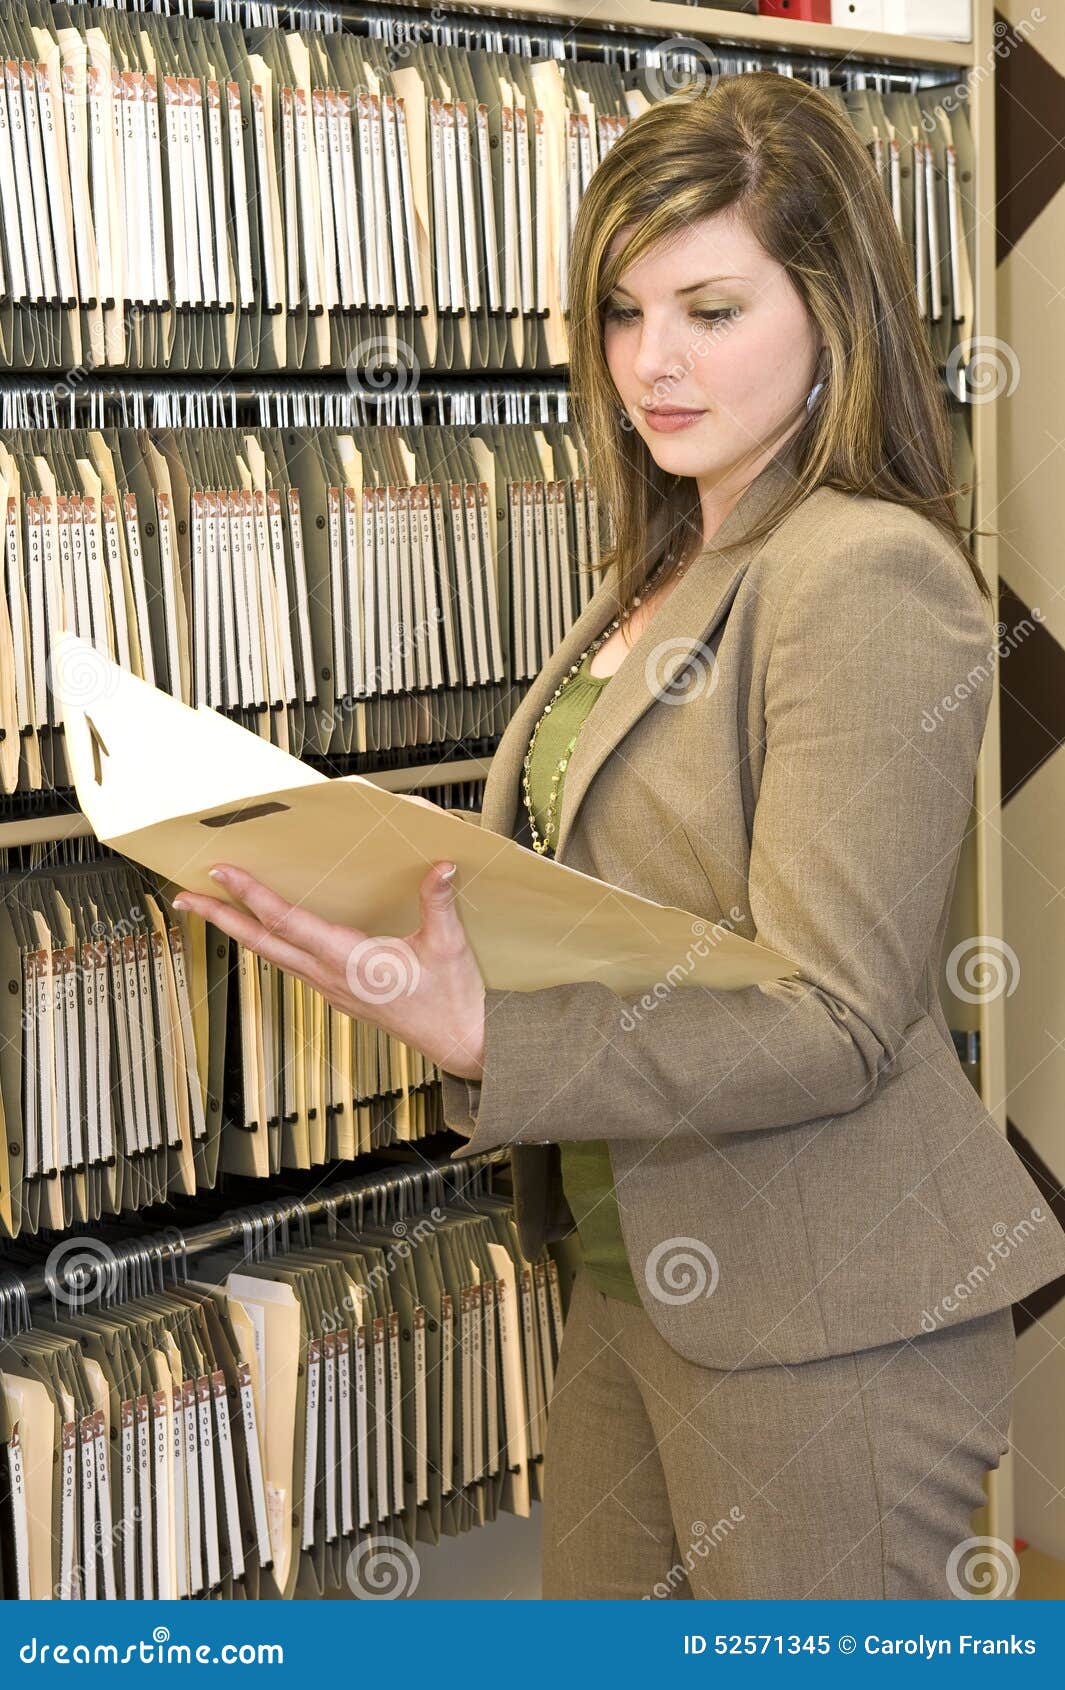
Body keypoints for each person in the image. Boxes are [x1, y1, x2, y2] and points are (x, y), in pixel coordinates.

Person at [172, 73, 1065, 1600]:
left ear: (832, 310)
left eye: (710, 309)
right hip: (630, 1271)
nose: (651, 361)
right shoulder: (664, 559)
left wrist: (485, 1033)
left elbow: (836, 1015)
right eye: (620, 309)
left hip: (823, 1314)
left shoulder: (859, 573)